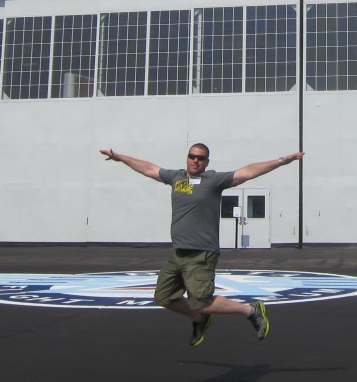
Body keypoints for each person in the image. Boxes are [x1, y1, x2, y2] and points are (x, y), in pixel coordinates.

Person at [99, 143, 303, 346]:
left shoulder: (213, 180)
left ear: (207, 162)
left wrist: (282, 161)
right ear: (187, 157)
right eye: (192, 156)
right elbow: (148, 168)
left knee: (203, 302)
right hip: (177, 253)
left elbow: (248, 172)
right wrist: (121, 158)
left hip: (201, 253)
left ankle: (251, 310)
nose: (196, 160)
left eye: (201, 158)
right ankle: (198, 319)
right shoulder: (175, 177)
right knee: (163, 297)